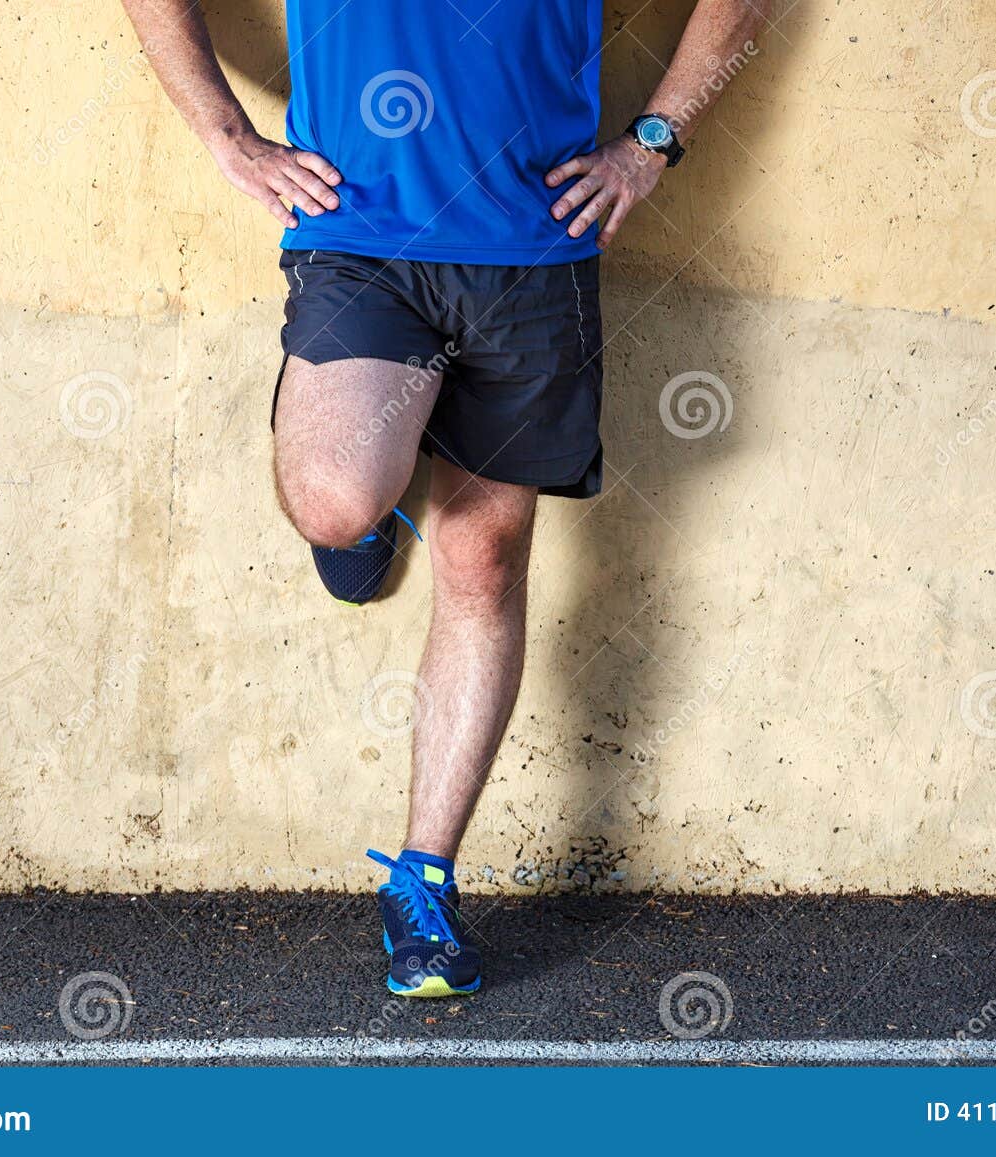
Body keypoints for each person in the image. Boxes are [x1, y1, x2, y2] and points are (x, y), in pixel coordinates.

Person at [122, 0, 768, 996]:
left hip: (534, 246)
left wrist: (650, 144)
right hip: (360, 231)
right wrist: (224, 133)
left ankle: (422, 879)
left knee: (484, 560)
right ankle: (369, 511)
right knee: (335, 499)